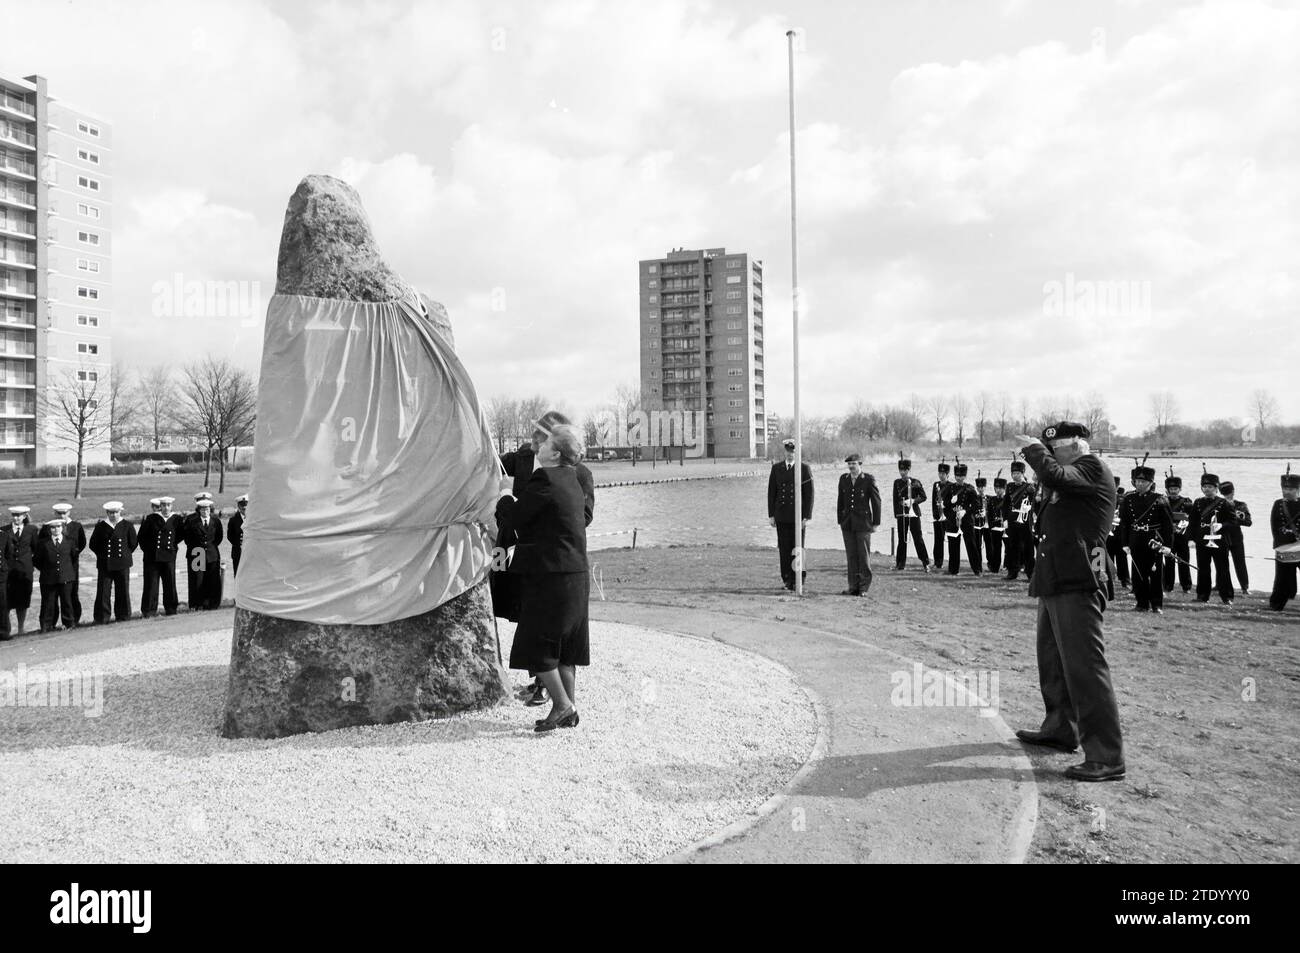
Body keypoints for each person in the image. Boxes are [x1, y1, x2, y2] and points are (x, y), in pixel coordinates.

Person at [1013, 422, 1125, 782]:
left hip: (1079, 578)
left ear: (1076, 445)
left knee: (1086, 669)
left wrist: (1034, 451)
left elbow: (1056, 474)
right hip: (1057, 579)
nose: (1049, 454)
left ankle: (1107, 757)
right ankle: (1061, 728)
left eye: (1053, 447)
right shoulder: (1066, 474)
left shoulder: (1092, 468)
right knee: (1054, 662)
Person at [495, 411, 595, 707]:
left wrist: (510, 498)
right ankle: (563, 703)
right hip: (538, 562)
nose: (535, 440)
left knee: (540, 637)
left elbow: (580, 517)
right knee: (552, 635)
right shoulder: (526, 459)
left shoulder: (575, 475)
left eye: (542, 435)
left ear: (555, 442)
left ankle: (557, 700)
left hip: (550, 563)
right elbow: (493, 461)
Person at [1118, 458, 1173, 614]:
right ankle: (1141, 603)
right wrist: (1125, 543)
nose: (1140, 484)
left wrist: (1168, 545)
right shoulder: (1128, 499)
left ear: (1151, 483)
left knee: (1155, 573)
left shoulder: (1160, 499)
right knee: (1137, 572)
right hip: (1135, 538)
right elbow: (1125, 523)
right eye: (1138, 481)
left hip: (1153, 539)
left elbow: (1168, 525)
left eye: (1144, 481)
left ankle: (1156, 605)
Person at [768, 438, 813, 591]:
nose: (790, 454)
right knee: (784, 549)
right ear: (785, 451)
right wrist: (771, 515)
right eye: (788, 451)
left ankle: (798, 579)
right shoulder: (776, 468)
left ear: (797, 452)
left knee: (798, 549)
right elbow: (771, 493)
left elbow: (809, 495)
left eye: (793, 452)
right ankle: (787, 579)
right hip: (781, 515)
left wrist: (807, 516)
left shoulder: (804, 468)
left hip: (797, 516)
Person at [837, 452, 881, 596]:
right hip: (847, 523)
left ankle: (863, 588)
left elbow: (876, 502)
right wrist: (840, 520)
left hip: (863, 524)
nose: (851, 467)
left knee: (863, 556)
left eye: (854, 464)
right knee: (851, 556)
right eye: (849, 464)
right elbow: (840, 501)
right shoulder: (843, 479)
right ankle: (853, 586)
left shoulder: (868, 479)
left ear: (860, 464)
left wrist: (876, 523)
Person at [1191, 468, 1236, 605]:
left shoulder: (1224, 503)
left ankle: (1227, 596)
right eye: (1204, 486)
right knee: (1203, 568)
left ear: (1216, 488)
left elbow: (1233, 521)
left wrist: (1221, 526)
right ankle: (1202, 595)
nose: (1206, 489)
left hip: (1220, 540)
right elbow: (1193, 522)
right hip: (1202, 540)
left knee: (1222, 569)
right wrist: (1191, 539)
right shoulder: (1197, 502)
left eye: (1210, 487)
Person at [89, 501, 137, 623]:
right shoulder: (100, 526)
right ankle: (102, 617)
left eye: (116, 512)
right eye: (110, 513)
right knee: (103, 591)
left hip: (122, 563)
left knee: (123, 590)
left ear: (120, 512)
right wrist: (103, 556)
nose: (113, 515)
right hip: (105, 564)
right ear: (107, 513)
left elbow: (133, 543)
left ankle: (123, 615)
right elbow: (93, 544)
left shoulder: (127, 525)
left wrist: (124, 554)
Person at [42, 503, 88, 625]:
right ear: (54, 513)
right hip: (52, 570)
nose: (62, 515)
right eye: (59, 513)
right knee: (52, 596)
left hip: (70, 566)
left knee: (71, 594)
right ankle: (51, 622)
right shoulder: (48, 527)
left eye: (64, 513)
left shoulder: (76, 526)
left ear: (69, 512)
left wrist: (70, 558)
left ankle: (73, 620)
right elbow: (41, 547)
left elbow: (81, 544)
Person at [138, 496, 183, 616]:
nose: (166, 508)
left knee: (170, 583)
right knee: (151, 585)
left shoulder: (177, 519)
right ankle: (149, 611)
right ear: (160, 506)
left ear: (171, 506)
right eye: (163, 505)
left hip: (169, 556)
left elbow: (180, 535)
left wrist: (171, 547)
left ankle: (171, 609)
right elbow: (142, 537)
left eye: (168, 505)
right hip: (152, 558)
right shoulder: (151, 518)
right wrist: (148, 550)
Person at [34, 518, 77, 632]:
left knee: (67, 602)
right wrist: (48, 570)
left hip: (66, 577)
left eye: (58, 526)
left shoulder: (70, 541)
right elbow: (37, 560)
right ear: (49, 529)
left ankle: (69, 623)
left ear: (62, 527)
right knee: (48, 603)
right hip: (48, 578)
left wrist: (65, 570)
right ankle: (46, 626)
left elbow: (73, 558)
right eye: (53, 527)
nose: (56, 529)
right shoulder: (43, 543)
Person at [1268, 466, 1300, 611]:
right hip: (1284, 544)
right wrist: (1280, 542)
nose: (1287, 492)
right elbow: (1274, 525)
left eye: (1291, 489)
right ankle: (1277, 603)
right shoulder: (1278, 504)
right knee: (1282, 577)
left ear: (1297, 489)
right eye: (1284, 489)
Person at [941, 461, 981, 576]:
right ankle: (953, 570)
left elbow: (976, 505)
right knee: (953, 545)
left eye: (961, 476)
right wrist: (950, 504)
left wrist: (965, 511)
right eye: (957, 476)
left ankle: (977, 570)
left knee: (971, 545)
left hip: (967, 520)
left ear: (965, 476)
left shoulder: (970, 489)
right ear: (954, 476)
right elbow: (945, 505)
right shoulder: (949, 488)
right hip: (953, 520)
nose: (959, 478)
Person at [3, 505, 37, 636]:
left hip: (24, 570)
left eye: (19, 515)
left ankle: (21, 628)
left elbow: (35, 548)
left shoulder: (31, 530)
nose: (16, 518)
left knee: (23, 600)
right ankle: (6, 629)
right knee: (6, 600)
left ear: (24, 516)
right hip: (8, 571)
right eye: (14, 515)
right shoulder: (4, 530)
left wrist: (28, 562)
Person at [891, 454, 930, 572]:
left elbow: (923, 497)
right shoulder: (896, 483)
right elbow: (895, 499)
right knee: (902, 539)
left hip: (914, 514)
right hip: (902, 515)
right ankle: (900, 564)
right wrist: (897, 514)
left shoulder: (916, 482)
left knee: (918, 538)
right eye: (900, 470)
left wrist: (912, 501)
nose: (902, 472)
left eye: (904, 470)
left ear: (909, 469)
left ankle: (925, 563)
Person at [184, 498, 224, 610]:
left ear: (210, 509)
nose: (205, 511)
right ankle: (197, 604)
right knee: (197, 580)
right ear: (199, 510)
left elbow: (219, 538)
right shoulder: (193, 522)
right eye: (202, 509)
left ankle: (212, 603)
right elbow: (188, 539)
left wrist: (210, 547)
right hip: (198, 553)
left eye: (207, 509)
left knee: (213, 579)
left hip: (212, 553)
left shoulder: (216, 521)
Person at [1003, 458, 1036, 581]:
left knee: (1028, 547)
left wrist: (1030, 507)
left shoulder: (1029, 487)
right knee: (1013, 547)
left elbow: (1034, 502)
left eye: (1018, 473)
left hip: (1025, 520)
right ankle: (1013, 572)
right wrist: (1005, 518)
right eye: (1013, 473)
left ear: (1023, 474)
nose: (1015, 476)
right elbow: (1005, 504)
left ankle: (1030, 573)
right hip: (1012, 520)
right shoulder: (1010, 487)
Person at [1162, 470, 1194, 594]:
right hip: (1168, 536)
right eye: (1171, 488)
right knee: (1169, 562)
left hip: (1182, 536)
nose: (1173, 491)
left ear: (1179, 489)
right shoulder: (1163, 501)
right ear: (1167, 489)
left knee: (1183, 561)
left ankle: (1186, 586)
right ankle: (1168, 586)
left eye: (1176, 488)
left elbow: (1190, 518)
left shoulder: (1186, 501)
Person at [1219, 481, 1251, 596]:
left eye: (1229, 492)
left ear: (1233, 491)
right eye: (1225, 493)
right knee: (1221, 563)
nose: (1228, 495)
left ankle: (1245, 587)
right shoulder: (1218, 504)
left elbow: (1248, 522)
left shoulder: (1241, 505)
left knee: (1240, 563)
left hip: (1236, 538)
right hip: (1222, 537)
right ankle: (1219, 585)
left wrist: (1237, 517)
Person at [1107, 477, 1130, 591]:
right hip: (1107, 532)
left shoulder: (1123, 499)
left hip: (1120, 532)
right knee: (1108, 557)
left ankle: (1125, 580)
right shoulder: (1103, 497)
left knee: (1122, 557)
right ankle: (1108, 579)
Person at [985, 472, 1008, 575]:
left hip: (1006, 528)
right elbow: (989, 514)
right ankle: (995, 568)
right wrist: (991, 526)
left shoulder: (1008, 499)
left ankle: (1008, 566)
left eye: (1000, 488)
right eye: (996, 488)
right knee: (996, 549)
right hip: (995, 528)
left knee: (1009, 548)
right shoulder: (992, 500)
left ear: (1004, 489)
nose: (997, 490)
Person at [931, 459, 951, 571]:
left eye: (943, 474)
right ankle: (938, 562)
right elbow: (934, 501)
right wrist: (935, 515)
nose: (941, 475)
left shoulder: (951, 486)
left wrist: (945, 506)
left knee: (950, 540)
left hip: (947, 517)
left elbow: (951, 502)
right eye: (940, 473)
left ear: (948, 475)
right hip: (938, 516)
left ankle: (951, 562)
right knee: (937, 540)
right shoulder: (936, 485)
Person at [228, 495, 248, 577]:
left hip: (251, 553)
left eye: (246, 506)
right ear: (239, 507)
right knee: (238, 576)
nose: (244, 509)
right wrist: (239, 545)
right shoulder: (233, 520)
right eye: (242, 507)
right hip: (238, 553)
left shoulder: (254, 518)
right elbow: (230, 536)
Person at [0, 527, 11, 641]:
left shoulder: (3, 535)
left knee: (2, 603)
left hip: (1, 575)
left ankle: (3, 631)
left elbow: (8, 554)